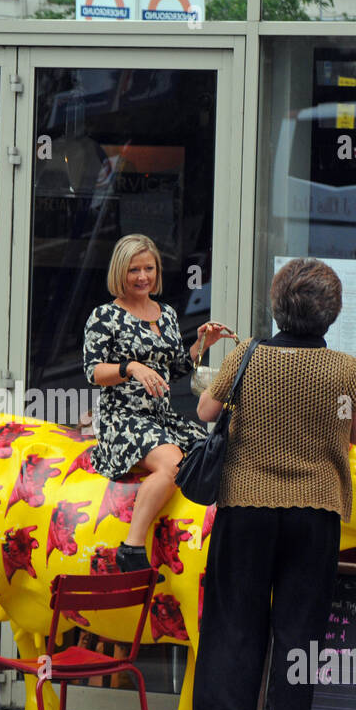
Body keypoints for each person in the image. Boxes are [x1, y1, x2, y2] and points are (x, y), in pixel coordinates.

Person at [192, 258, 356, 710]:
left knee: (235, 624)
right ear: (331, 314)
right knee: (300, 630)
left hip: (245, 507)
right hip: (314, 514)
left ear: (277, 304)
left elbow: (205, 412)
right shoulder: (345, 368)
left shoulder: (246, 357)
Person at [82, 234, 231, 572]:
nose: (142, 277)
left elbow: (176, 367)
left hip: (160, 417)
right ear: (121, 271)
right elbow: (93, 372)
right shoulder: (104, 316)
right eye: (134, 269)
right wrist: (131, 367)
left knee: (212, 454)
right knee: (172, 464)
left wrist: (201, 344)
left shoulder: (166, 314)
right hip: (121, 417)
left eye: (148, 268)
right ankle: (132, 549)